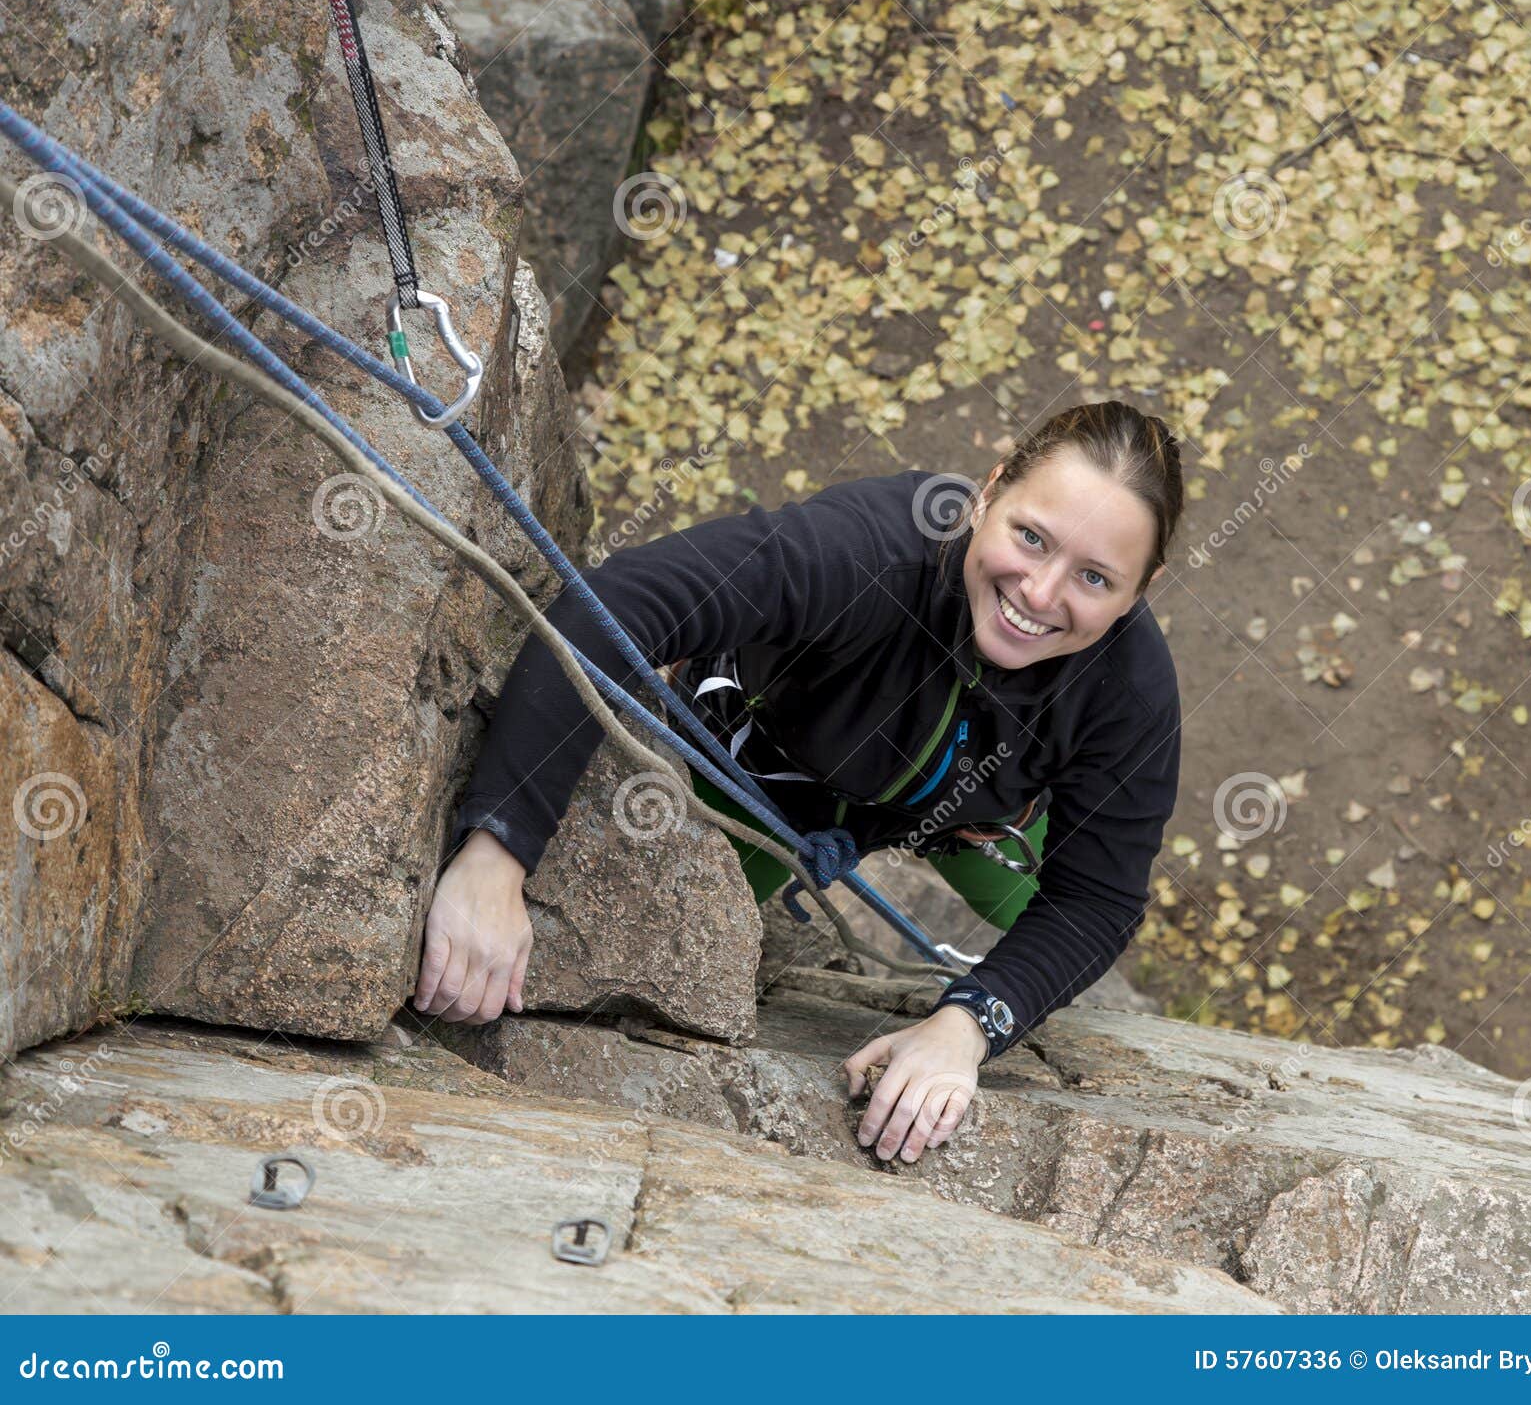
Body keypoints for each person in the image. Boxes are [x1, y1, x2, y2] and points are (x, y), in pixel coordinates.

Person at [415, 400, 1184, 1166]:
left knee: (1059, 945)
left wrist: (967, 1027)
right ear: (987, 495)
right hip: (760, 779)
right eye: (1030, 537)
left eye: (1093, 576)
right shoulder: (874, 551)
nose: (1041, 595)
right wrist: (498, 850)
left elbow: (1096, 900)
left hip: (968, 816)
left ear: (1140, 590)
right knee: (657, 956)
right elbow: (617, 604)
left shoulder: (1131, 689)